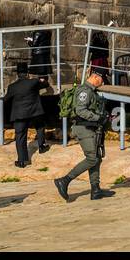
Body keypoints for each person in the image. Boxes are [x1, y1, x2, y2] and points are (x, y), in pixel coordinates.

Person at [54, 69, 112, 203]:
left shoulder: (91, 91)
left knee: (96, 157)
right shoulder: (85, 91)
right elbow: (81, 110)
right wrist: (98, 118)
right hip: (83, 128)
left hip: (90, 128)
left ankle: (96, 189)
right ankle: (64, 180)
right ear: (96, 77)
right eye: (102, 80)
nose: (102, 83)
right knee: (92, 158)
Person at [4, 60, 49, 167]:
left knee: (20, 137)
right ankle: (42, 146)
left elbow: (5, 100)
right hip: (34, 113)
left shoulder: (12, 87)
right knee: (40, 125)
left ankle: (22, 161)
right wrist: (42, 79)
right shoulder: (33, 82)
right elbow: (46, 84)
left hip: (19, 115)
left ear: (17, 74)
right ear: (27, 73)